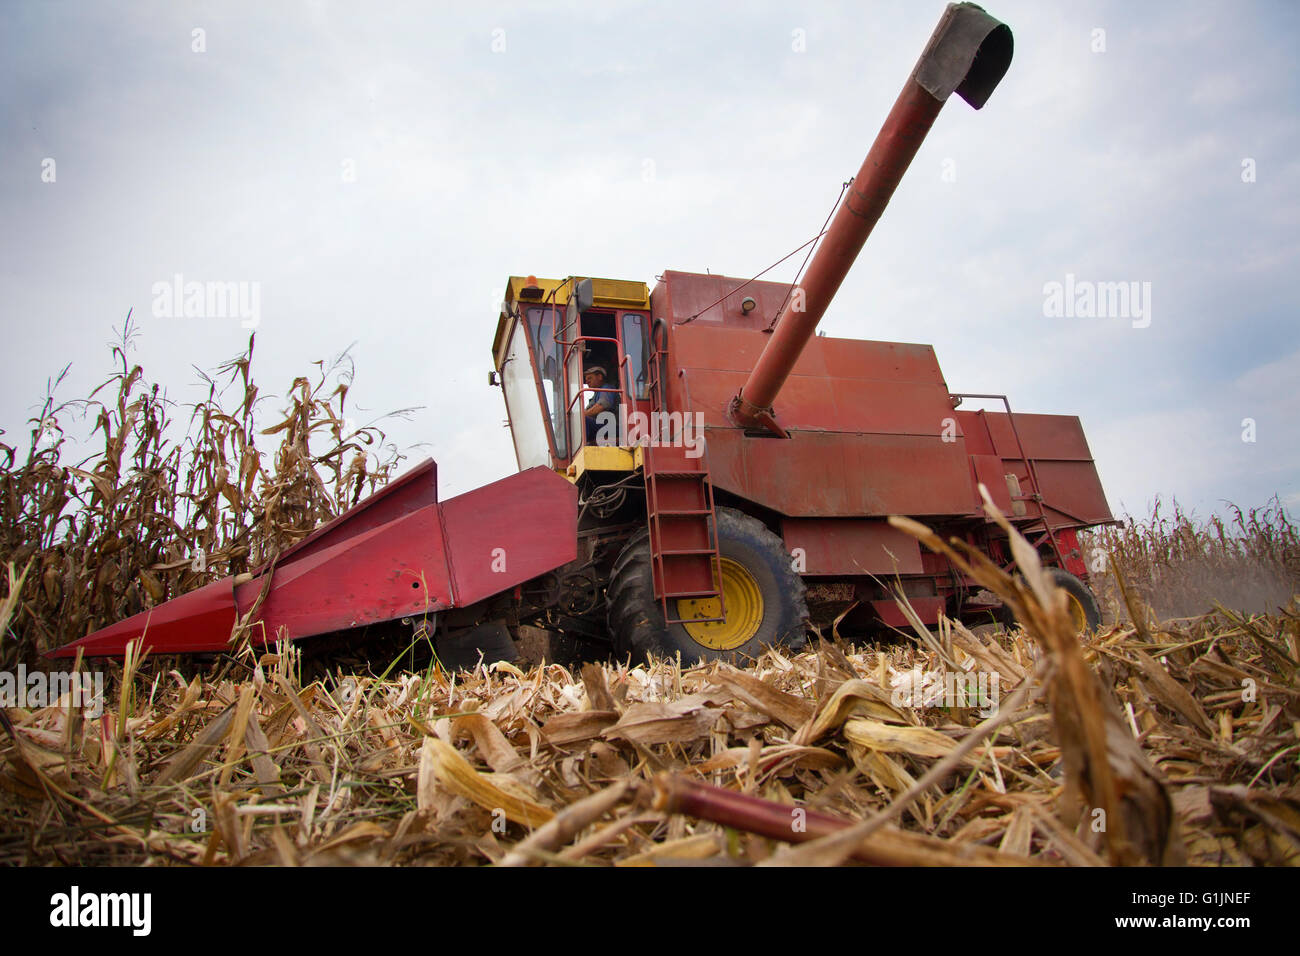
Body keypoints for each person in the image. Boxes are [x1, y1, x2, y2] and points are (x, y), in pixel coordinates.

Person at [583, 366, 620, 444]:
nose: (587, 382)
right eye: (586, 380)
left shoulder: (607, 388)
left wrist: (581, 415)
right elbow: (589, 410)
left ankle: (584, 444)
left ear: (600, 377)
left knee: (584, 420)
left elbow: (602, 406)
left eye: (590, 378)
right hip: (603, 427)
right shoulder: (595, 395)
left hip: (613, 427)